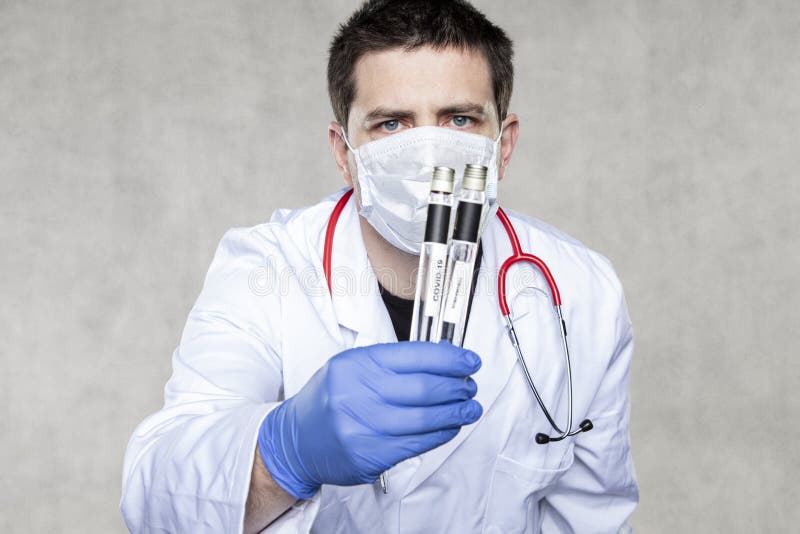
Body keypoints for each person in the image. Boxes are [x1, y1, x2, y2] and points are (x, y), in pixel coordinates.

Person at [120, 1, 639, 532]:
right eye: (392, 123)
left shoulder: (580, 290)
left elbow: (592, 516)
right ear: (343, 152)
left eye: (459, 119)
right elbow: (153, 499)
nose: (429, 151)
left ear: (502, 145)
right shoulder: (267, 268)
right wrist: (282, 455)